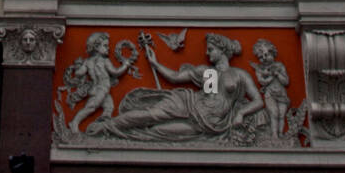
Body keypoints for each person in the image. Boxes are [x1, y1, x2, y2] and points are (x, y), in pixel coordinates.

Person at [86, 34, 263, 142]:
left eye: (211, 49)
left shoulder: (239, 75)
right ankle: (107, 126)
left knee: (157, 132)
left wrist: (240, 113)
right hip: (187, 103)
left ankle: (125, 131)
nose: (207, 53)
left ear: (222, 50)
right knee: (151, 115)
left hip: (208, 124)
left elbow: (258, 101)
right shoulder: (208, 73)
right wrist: (155, 64)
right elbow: (176, 78)